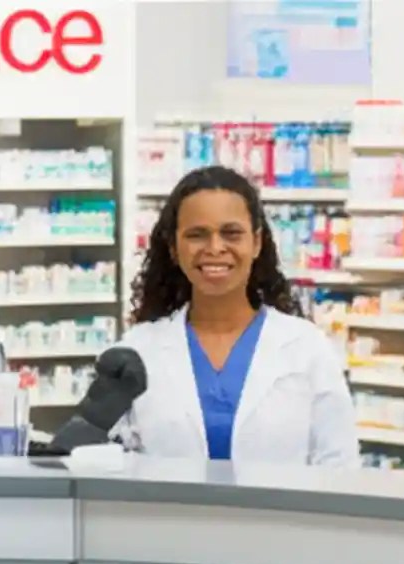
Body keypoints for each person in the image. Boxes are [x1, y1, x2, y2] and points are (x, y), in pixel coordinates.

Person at [115, 165, 359, 467]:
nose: (215, 248)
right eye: (197, 235)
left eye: (231, 233)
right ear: (174, 249)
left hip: (281, 516)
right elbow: (109, 466)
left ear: (256, 243)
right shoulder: (137, 350)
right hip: (168, 515)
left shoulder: (307, 348)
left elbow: (339, 464)